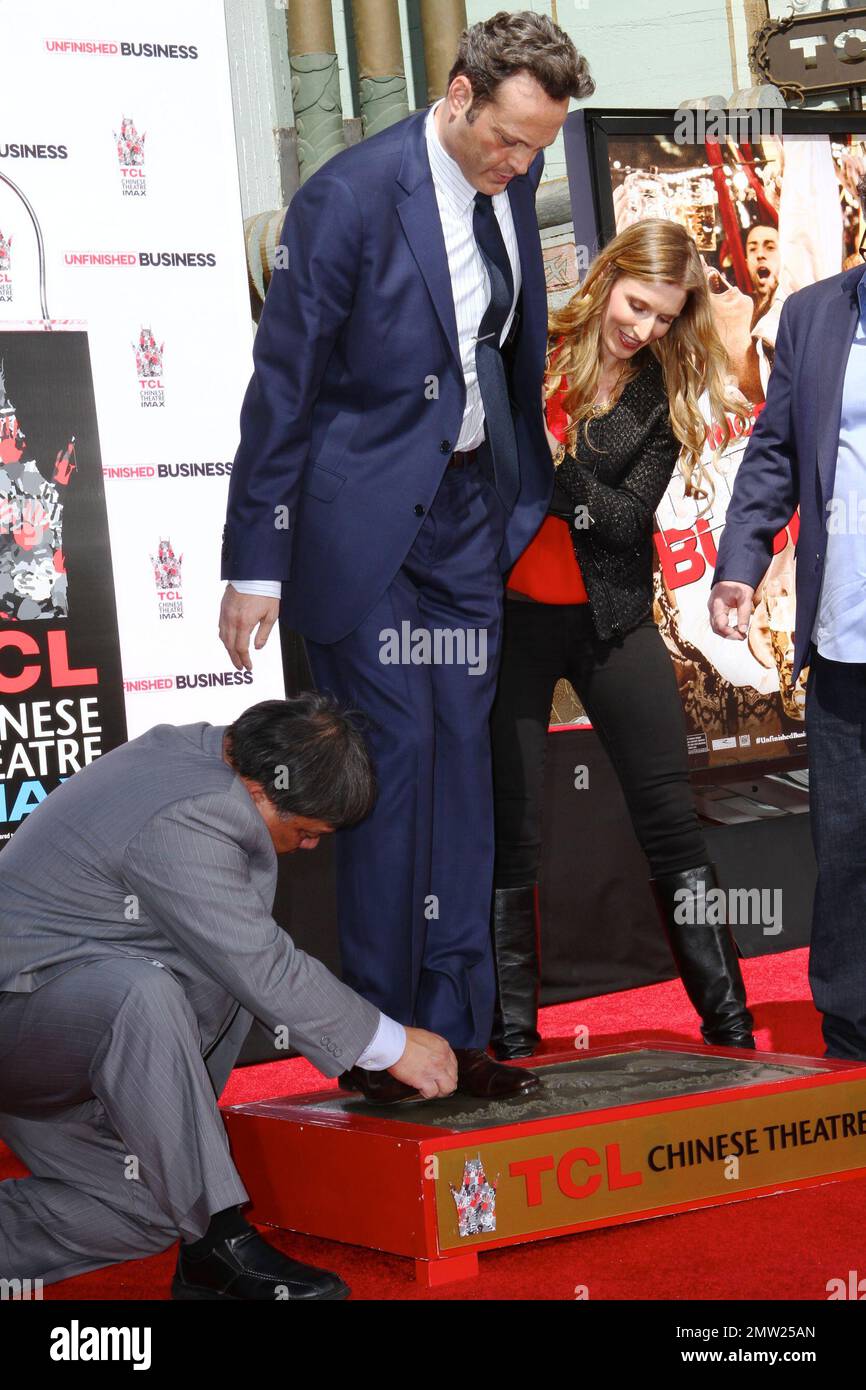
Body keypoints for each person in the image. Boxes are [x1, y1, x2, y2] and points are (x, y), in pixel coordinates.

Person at [218, 13, 594, 1102]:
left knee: (463, 780)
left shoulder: (507, 184)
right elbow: (280, 391)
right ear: (457, 93)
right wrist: (256, 561)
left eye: (534, 149)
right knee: (389, 777)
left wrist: (516, 492)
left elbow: (502, 348)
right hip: (364, 530)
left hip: (466, 520)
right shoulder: (342, 203)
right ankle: (383, 1045)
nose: (517, 165)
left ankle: (456, 1032)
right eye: (506, 141)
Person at [0, 695, 456, 1300]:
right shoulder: (193, 810)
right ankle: (217, 1247)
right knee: (140, 991)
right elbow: (258, 961)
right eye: (307, 832)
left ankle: (193, 1218)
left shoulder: (209, 753)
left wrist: (353, 1058)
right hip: (22, 1025)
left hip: (60, 1044)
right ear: (261, 790)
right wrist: (387, 1044)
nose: (310, 848)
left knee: (152, 1207)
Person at [489, 219, 756, 1059]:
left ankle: (734, 1026)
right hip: (511, 619)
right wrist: (576, 487)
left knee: (673, 824)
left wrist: (549, 469)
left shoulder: (659, 393)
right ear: (607, 278)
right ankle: (513, 1038)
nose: (644, 328)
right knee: (515, 828)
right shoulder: (528, 350)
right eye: (638, 304)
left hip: (613, 618)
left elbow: (629, 520)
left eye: (666, 317)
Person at [709, 176, 866, 1062]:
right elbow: (771, 453)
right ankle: (852, 1034)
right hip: (845, 636)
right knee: (846, 847)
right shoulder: (811, 317)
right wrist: (739, 565)